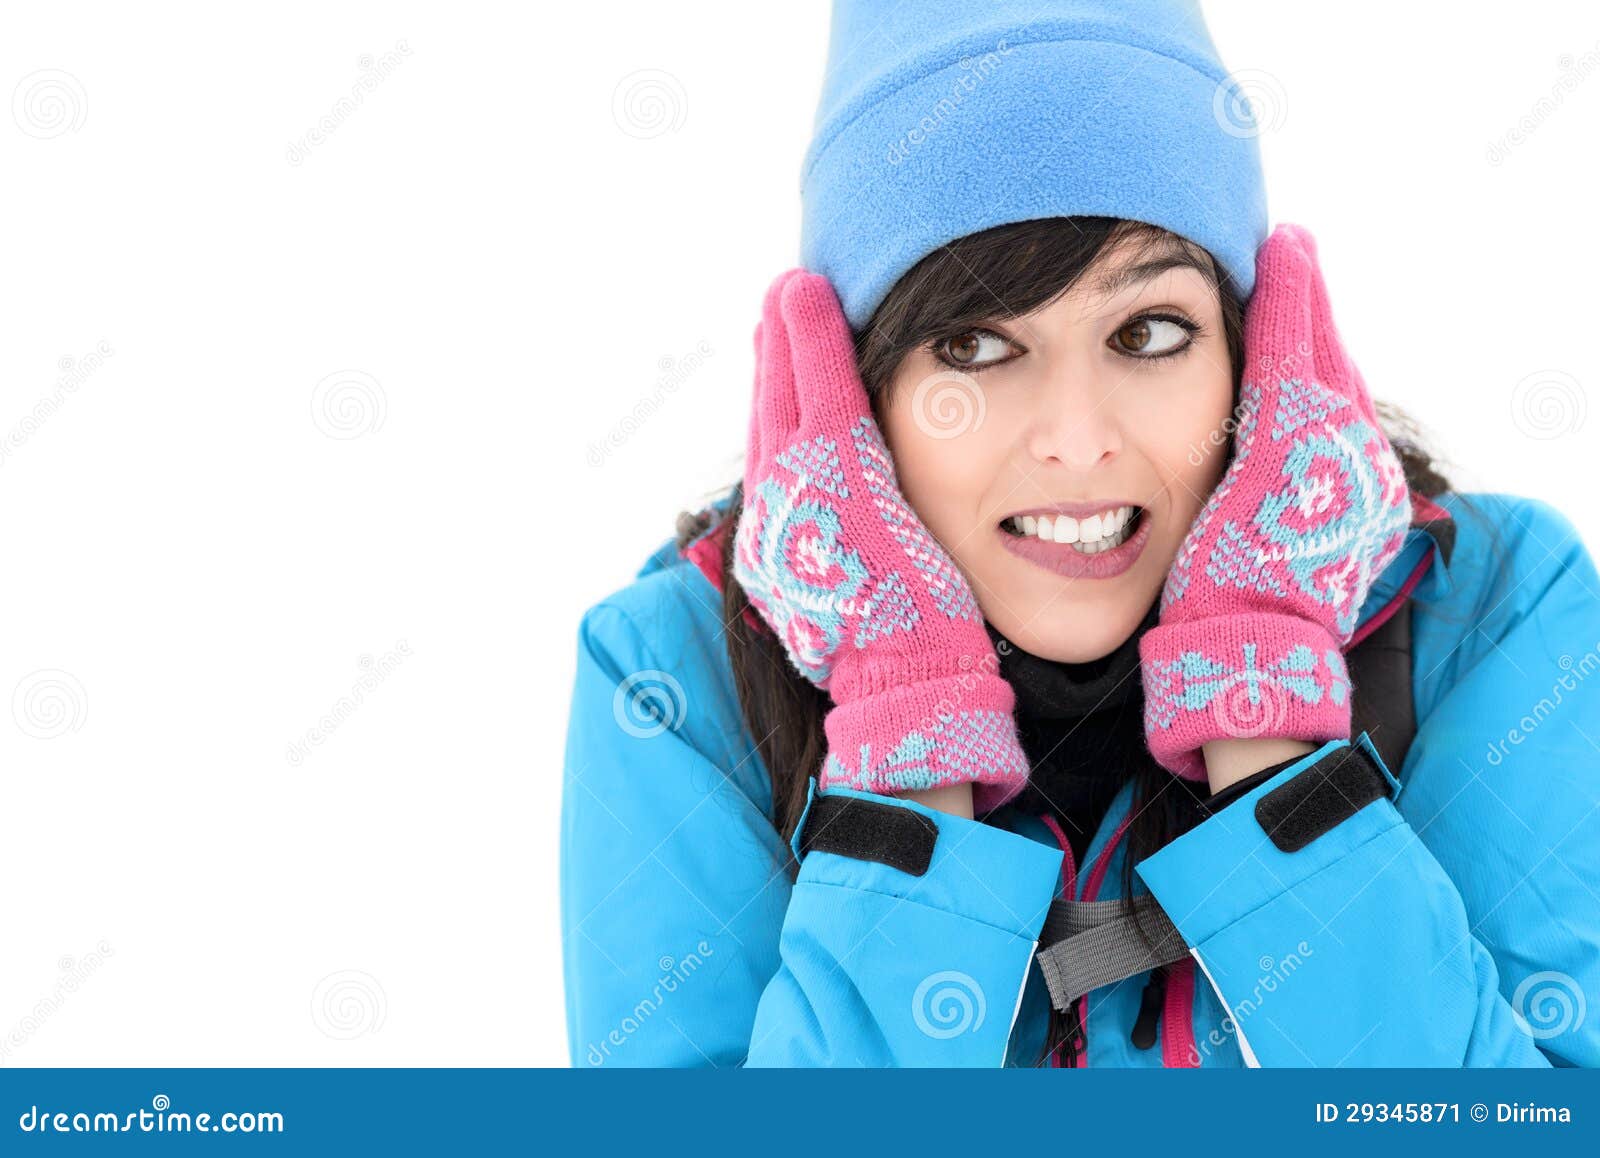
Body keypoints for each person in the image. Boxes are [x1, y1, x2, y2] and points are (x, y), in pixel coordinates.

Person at [560, 0, 1600, 1067]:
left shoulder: (1491, 611)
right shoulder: (673, 678)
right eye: (971, 345)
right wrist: (906, 752)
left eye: (1146, 333)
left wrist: (1266, 718)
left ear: (1255, 350)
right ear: (851, 389)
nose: (1075, 439)